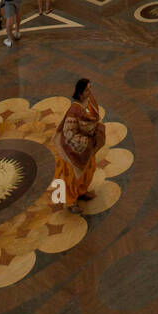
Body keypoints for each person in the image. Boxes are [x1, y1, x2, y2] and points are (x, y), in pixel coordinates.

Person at [52, 78, 105, 215]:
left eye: (90, 88)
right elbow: (68, 133)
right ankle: (71, 202)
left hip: (86, 148)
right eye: (87, 89)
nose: (90, 91)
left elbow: (93, 119)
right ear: (80, 93)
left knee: (88, 170)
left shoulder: (90, 101)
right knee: (72, 177)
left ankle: (82, 192)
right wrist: (86, 142)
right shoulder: (73, 111)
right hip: (73, 150)